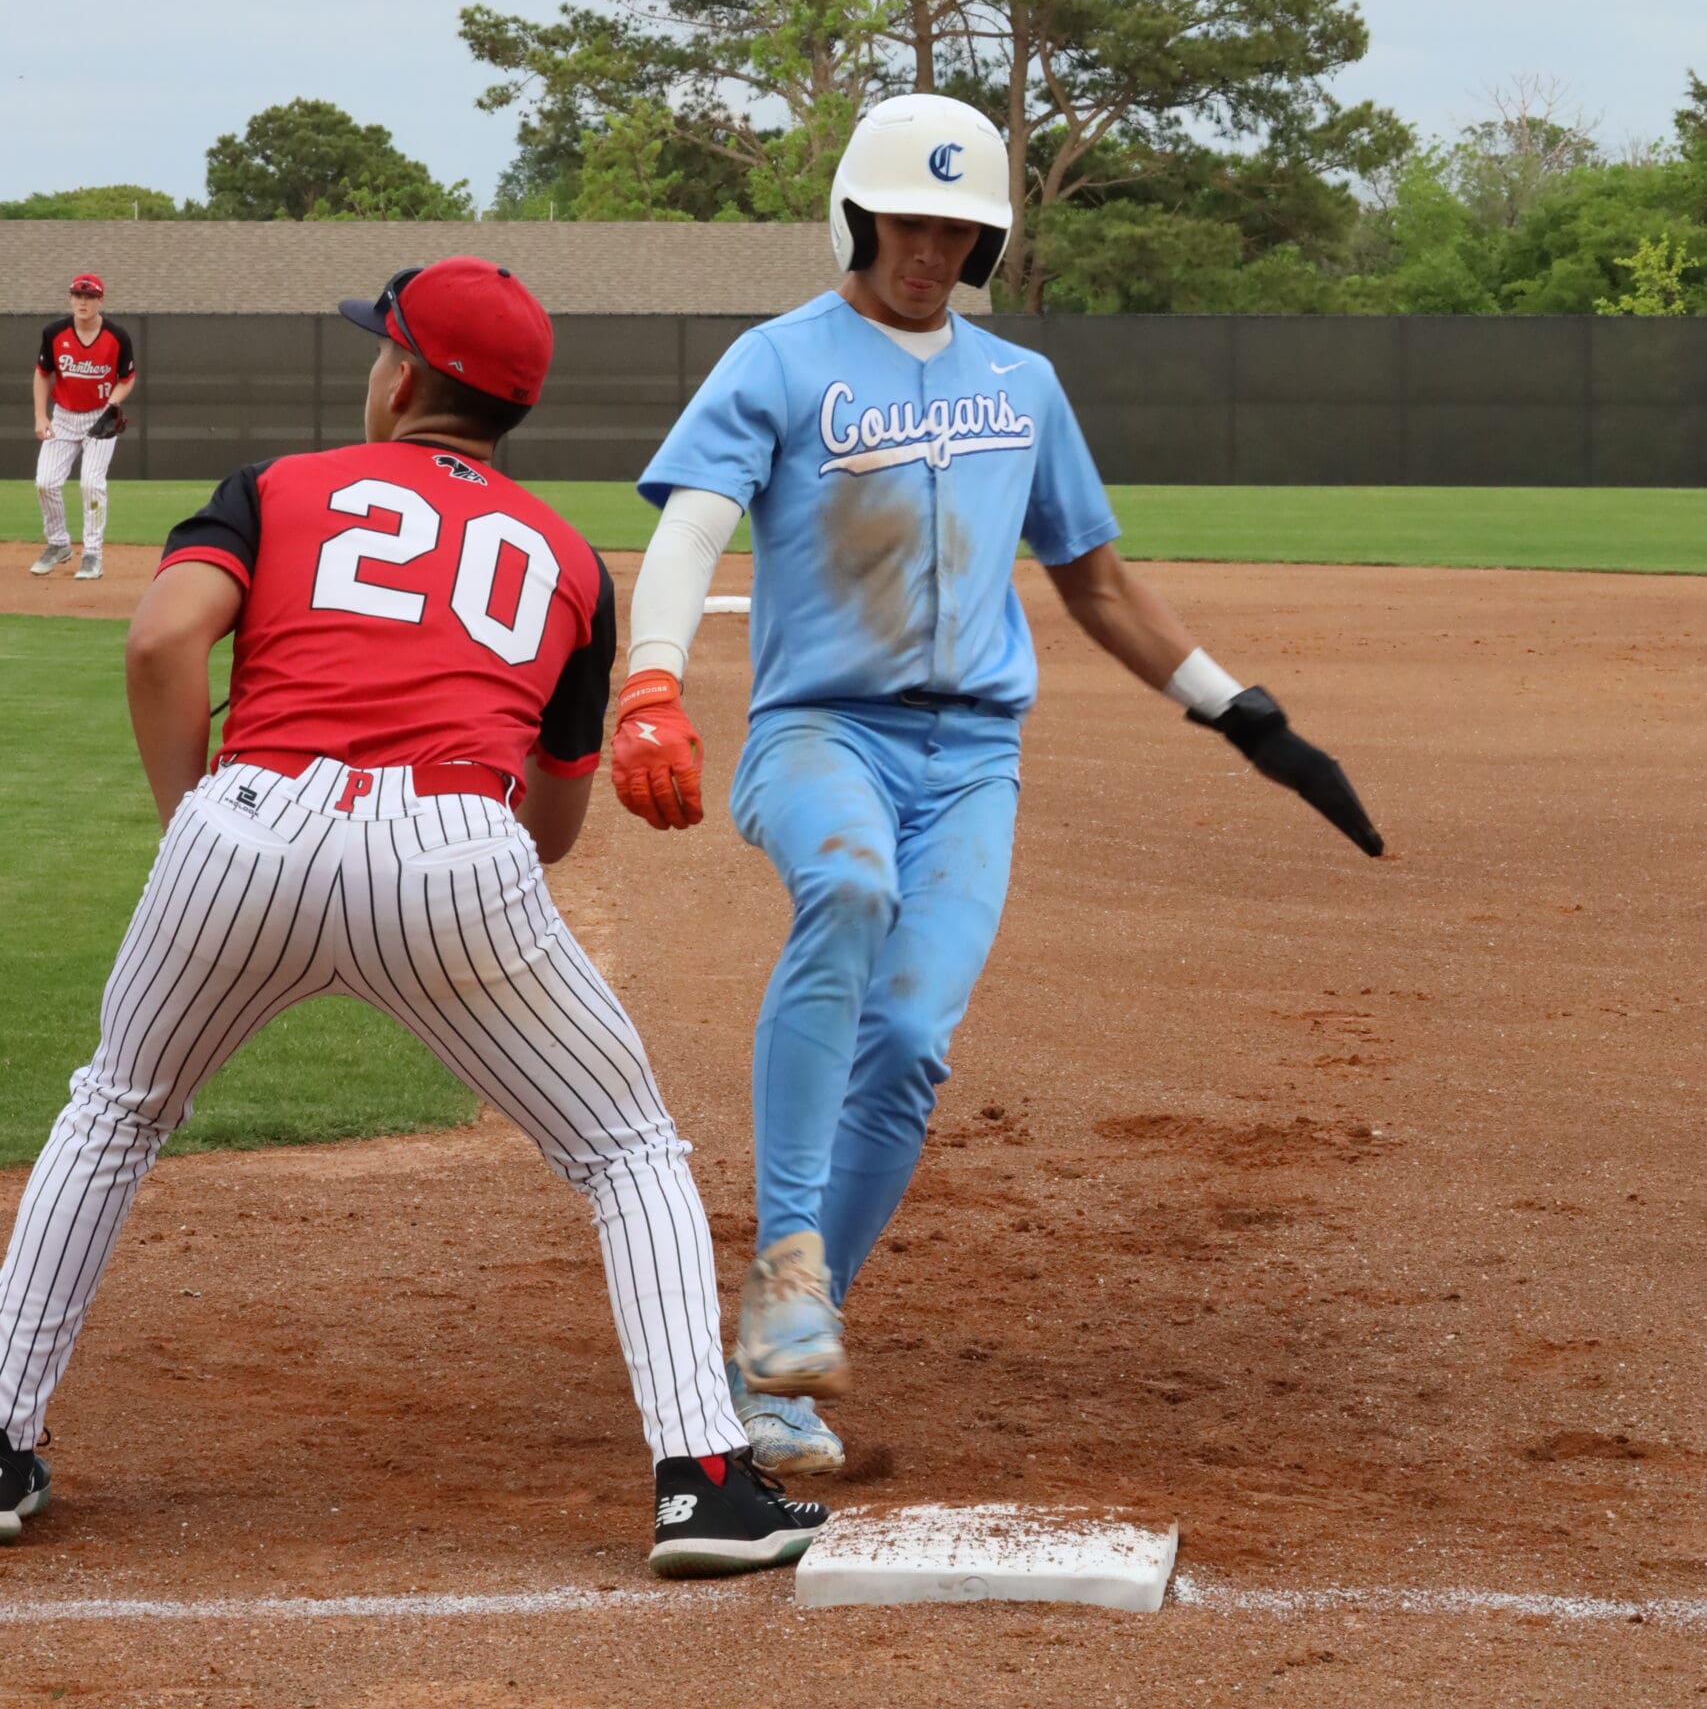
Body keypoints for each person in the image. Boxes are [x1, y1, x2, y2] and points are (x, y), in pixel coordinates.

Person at [0, 256, 826, 1578]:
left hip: (246, 827)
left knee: (114, 1111)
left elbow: (163, 645)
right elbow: (550, 832)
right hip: (453, 843)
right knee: (625, 1150)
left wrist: (194, 832)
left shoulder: (278, 487)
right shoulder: (564, 560)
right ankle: (704, 1482)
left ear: (401, 376)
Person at [610, 96, 1384, 1475]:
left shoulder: (1019, 385)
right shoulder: (777, 363)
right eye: (912, 221)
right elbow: (690, 530)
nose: (932, 249)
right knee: (843, 890)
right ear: (858, 215)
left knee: (906, 1045)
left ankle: (779, 1358)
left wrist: (1243, 717)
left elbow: (1091, 578)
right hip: (819, 735)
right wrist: (652, 678)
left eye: (960, 230)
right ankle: (785, 1263)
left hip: (971, 762)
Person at [32, 272, 137, 581]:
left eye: (89, 296)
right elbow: (42, 374)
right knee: (45, 482)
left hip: (99, 418)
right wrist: (41, 416)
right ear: (70, 299)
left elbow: (127, 378)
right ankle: (58, 544)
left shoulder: (117, 336)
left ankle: (92, 555)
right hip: (63, 415)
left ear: (100, 301)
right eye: (77, 295)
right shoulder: (54, 333)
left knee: (91, 483)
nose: (82, 301)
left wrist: (112, 406)